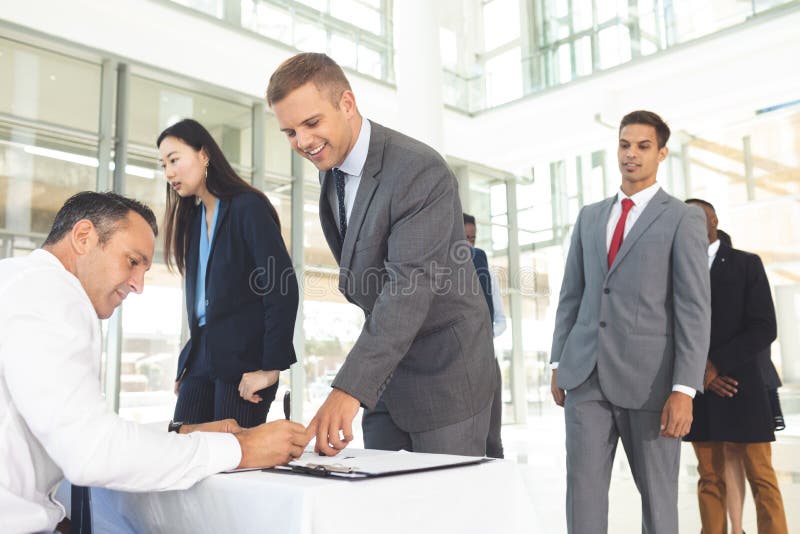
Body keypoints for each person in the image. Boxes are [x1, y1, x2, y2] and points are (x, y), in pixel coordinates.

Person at [0, 191, 307, 534]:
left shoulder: (21, 282)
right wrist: (242, 448)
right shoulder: (51, 293)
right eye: (132, 261)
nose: (139, 285)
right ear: (83, 237)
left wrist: (182, 433)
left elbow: (71, 429)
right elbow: (93, 451)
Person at [267, 53, 496, 457]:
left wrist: (349, 388)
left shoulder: (418, 170)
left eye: (312, 123)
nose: (302, 141)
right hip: (387, 380)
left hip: (446, 376)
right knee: (381, 492)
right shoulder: (331, 170)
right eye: (289, 132)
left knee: (446, 496)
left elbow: (407, 289)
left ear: (347, 104)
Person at [549, 110, 710, 533]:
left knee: (658, 502)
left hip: (652, 384)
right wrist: (558, 361)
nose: (631, 154)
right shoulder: (589, 216)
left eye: (642, 146)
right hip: (585, 376)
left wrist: (684, 389)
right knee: (582, 497)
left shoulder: (682, 218)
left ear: (662, 154)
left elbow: (693, 308)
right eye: (624, 145)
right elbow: (572, 295)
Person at [158, 119, 299, 428]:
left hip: (244, 360)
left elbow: (281, 287)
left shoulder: (248, 207)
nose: (168, 173)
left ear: (204, 154)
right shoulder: (194, 220)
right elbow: (204, 306)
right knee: (183, 445)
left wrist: (270, 368)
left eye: (174, 159)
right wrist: (189, 361)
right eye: (163, 165)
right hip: (201, 358)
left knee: (233, 452)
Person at [683, 198, 788, 534]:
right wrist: (702, 372)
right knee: (709, 477)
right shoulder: (677, 270)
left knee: (761, 476)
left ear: (713, 221)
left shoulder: (746, 264)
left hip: (743, 385)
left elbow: (764, 327)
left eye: (696, 218)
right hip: (700, 388)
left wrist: (716, 365)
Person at [463, 212, 505, 459]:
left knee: (492, 438)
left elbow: (500, 321)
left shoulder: (486, 272)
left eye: (472, 238)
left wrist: (483, 336)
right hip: (457, 367)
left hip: (487, 361)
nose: (469, 244)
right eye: (464, 238)